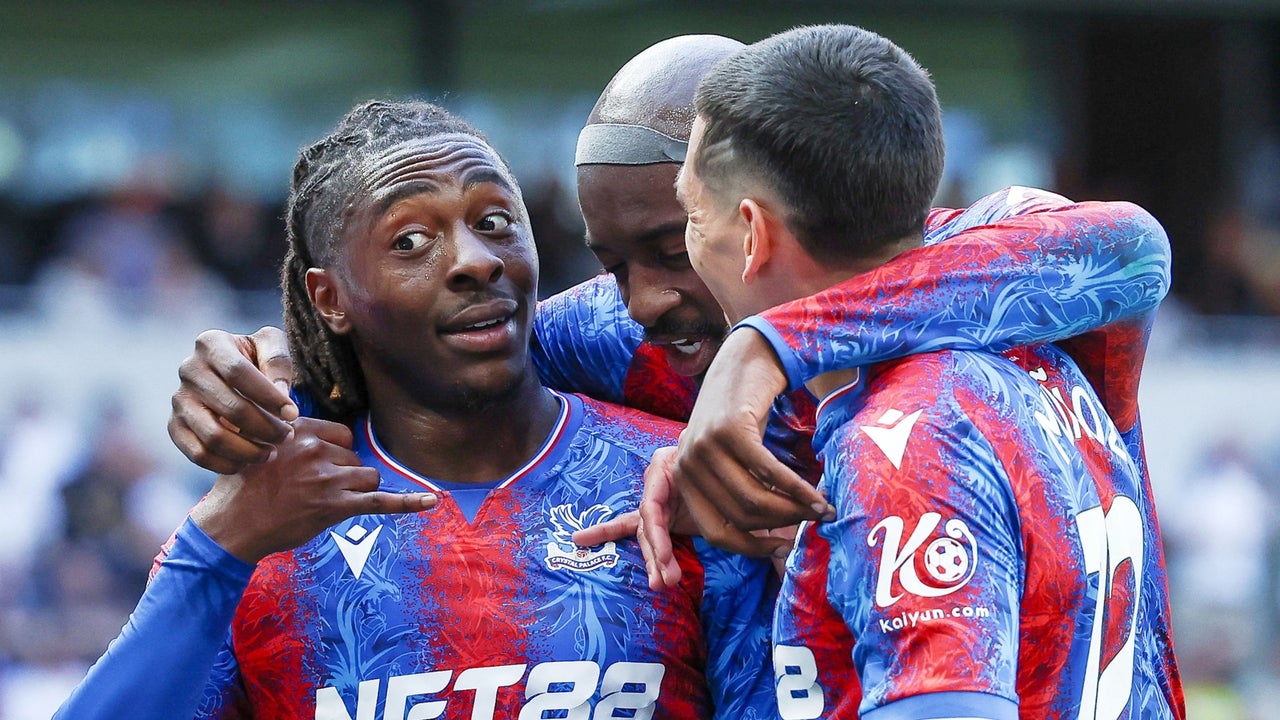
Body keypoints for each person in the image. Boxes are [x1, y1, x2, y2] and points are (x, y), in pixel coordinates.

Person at [168, 37, 1174, 573]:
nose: (644, 299)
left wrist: (767, 346)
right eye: (611, 261)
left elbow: (1129, 247)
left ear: (751, 216)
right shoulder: (636, 330)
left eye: (673, 242)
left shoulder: (986, 272)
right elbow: (411, 352)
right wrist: (276, 372)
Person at [54, 100, 779, 720]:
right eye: (410, 241)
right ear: (329, 298)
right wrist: (216, 549)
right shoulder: (264, 529)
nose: (476, 259)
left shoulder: (675, 481)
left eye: (496, 220)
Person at [662, 23, 1182, 718]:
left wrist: (766, 341)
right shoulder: (1027, 317)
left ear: (752, 233)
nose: (686, 255)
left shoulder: (907, 432)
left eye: (691, 218)